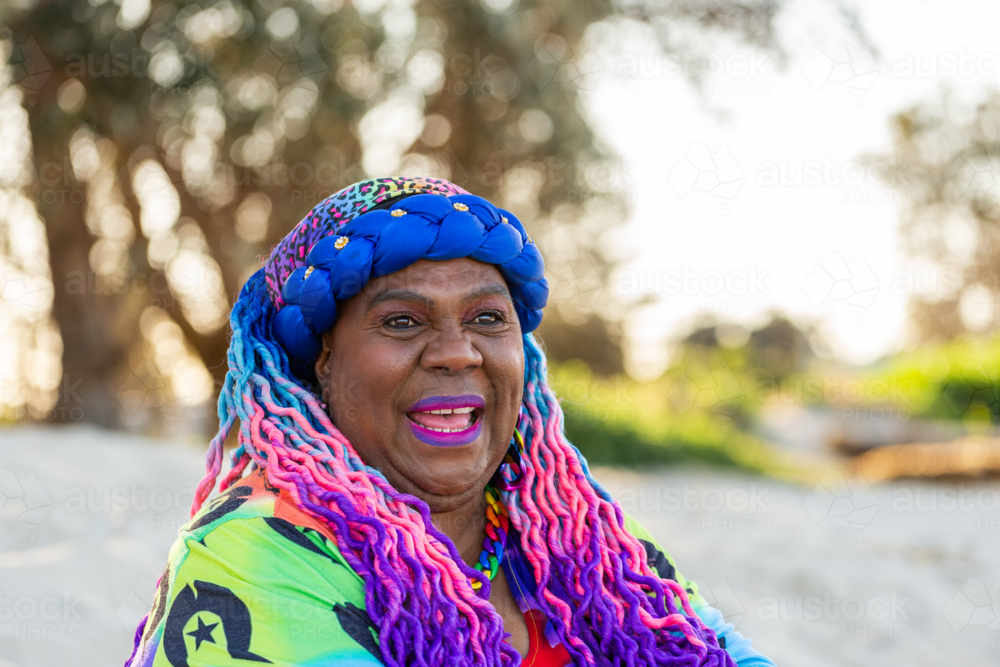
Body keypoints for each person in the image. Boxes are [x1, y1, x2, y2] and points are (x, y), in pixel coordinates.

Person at [125, 176, 774, 667]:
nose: (457, 352)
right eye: (402, 320)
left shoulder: (577, 539)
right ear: (322, 360)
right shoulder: (253, 553)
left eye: (488, 318)